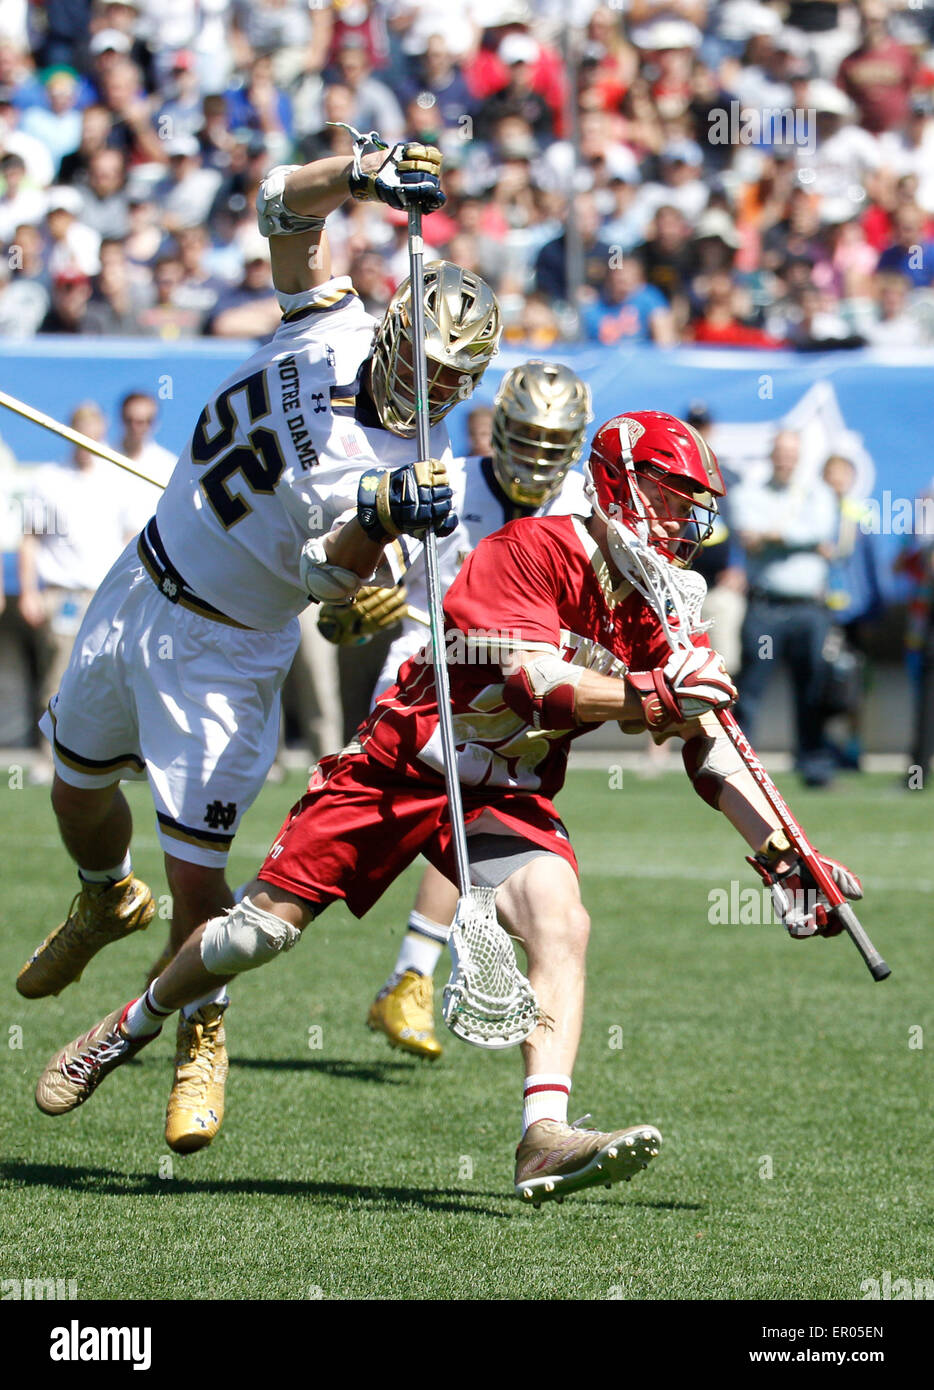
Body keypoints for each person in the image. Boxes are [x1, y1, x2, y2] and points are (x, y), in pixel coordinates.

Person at [32, 411, 862, 1204]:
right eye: (674, 501)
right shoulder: (530, 547)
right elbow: (535, 681)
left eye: (695, 509)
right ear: (618, 486)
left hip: (504, 788)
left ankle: (543, 1134)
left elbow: (710, 743)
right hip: (407, 763)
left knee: (562, 921)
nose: (686, 523)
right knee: (255, 933)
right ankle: (129, 1026)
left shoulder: (655, 597)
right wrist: (656, 692)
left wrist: (787, 859)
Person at [16, 135, 500, 1159]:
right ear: (395, 330)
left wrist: (377, 517)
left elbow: (333, 589)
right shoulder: (331, 322)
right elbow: (284, 205)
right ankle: (105, 897)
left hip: (223, 655)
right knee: (73, 788)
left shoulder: (417, 470)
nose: (434, 386)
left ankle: (202, 1029)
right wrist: (363, 171)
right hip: (139, 579)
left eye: (456, 378)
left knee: (202, 888)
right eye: (425, 357)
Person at [320, 360, 592, 1059]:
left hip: (521, 688)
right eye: (524, 435)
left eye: (549, 440)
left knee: (466, 815)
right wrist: (357, 605)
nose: (534, 455)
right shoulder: (447, 482)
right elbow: (347, 600)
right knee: (391, 820)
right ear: (498, 428)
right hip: (424, 667)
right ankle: (239, 922)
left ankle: (407, 978)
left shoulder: (582, 510)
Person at [730, 430, 839, 786]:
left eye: (792, 452)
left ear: (800, 456)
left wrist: (775, 536)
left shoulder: (818, 493)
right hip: (766, 606)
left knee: (813, 690)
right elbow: (748, 533)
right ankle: (739, 770)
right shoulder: (750, 491)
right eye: (780, 452)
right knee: (750, 690)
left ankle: (814, 767)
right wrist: (804, 539)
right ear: (771, 454)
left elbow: (822, 530)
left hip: (809, 608)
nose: (786, 459)